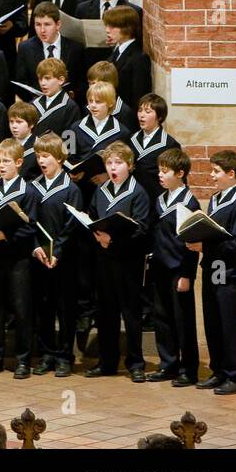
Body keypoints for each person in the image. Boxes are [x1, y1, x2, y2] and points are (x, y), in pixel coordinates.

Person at [86, 142, 151, 382]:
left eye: (119, 163)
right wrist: (98, 237)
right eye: (109, 163)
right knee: (106, 312)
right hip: (104, 260)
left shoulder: (138, 193)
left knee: (131, 313)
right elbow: (92, 217)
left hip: (128, 262)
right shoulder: (101, 191)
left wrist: (112, 241)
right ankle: (107, 361)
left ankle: (135, 362)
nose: (113, 168)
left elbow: (142, 230)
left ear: (130, 166)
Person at [191, 150, 236, 394]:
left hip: (231, 272)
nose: (211, 175)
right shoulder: (216, 199)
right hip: (213, 269)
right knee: (213, 321)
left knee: (229, 323)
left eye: (216, 171)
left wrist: (205, 245)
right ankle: (219, 370)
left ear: (231, 174)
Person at [0, 139, 39, 378]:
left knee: (22, 309)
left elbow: (31, 226)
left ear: (19, 163)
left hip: (18, 258)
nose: (1, 166)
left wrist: (5, 234)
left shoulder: (27, 191)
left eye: (6, 161)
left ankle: (23, 360)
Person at [30, 134, 83, 377]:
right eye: (39, 156)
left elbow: (72, 225)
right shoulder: (32, 187)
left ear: (60, 158)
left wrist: (57, 252)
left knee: (65, 308)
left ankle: (65, 356)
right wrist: (36, 247)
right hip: (40, 257)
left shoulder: (71, 189)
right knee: (43, 307)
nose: (41, 161)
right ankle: (47, 353)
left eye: (46, 156)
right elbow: (28, 222)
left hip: (65, 260)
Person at [149, 148, 200, 387]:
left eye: (165, 171)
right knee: (162, 318)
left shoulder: (189, 202)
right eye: (159, 170)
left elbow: (191, 243)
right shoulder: (161, 199)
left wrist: (186, 275)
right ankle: (167, 363)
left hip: (178, 269)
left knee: (183, 320)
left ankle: (188, 369)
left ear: (180, 173)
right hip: (160, 266)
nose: (160, 175)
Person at [15, 1, 87, 101]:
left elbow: (82, 81)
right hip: (36, 106)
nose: (42, 30)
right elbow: (21, 82)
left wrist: (73, 94)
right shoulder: (25, 47)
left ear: (58, 25)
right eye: (38, 24)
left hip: (67, 106)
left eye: (47, 24)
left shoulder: (75, 48)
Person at [103, 5, 152, 110]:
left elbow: (139, 97)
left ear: (127, 28)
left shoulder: (139, 59)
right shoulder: (117, 50)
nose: (107, 30)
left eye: (112, 26)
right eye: (107, 25)